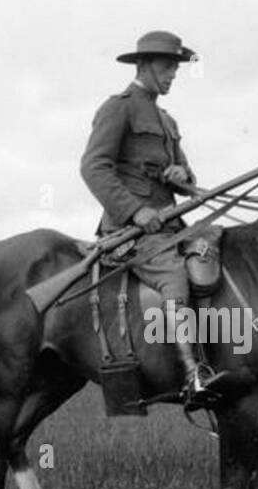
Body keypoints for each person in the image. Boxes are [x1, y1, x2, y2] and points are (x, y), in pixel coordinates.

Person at [80, 30, 225, 404]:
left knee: (217, 241)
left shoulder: (167, 120)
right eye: (167, 66)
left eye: (176, 67)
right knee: (176, 276)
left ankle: (224, 350)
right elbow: (93, 167)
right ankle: (193, 375)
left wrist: (183, 177)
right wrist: (135, 210)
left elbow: (186, 176)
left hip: (170, 225)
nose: (174, 74)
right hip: (131, 232)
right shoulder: (119, 107)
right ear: (144, 65)